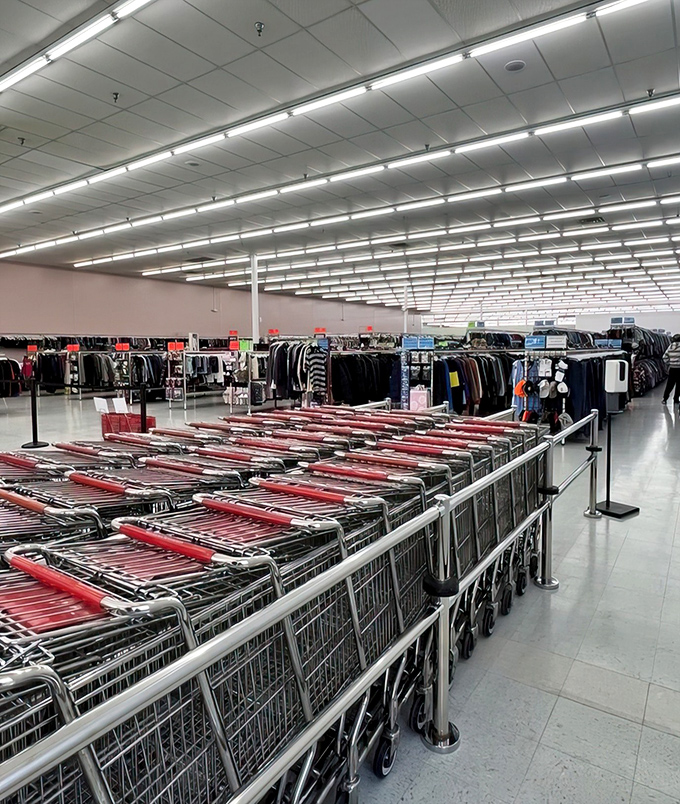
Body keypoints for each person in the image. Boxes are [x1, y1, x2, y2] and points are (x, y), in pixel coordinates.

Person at [662, 334, 680, 405]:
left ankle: (665, 398)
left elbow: (664, 357)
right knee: (679, 385)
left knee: (669, 384)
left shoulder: (670, 347)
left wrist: (669, 362)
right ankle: (676, 399)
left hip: (672, 368)